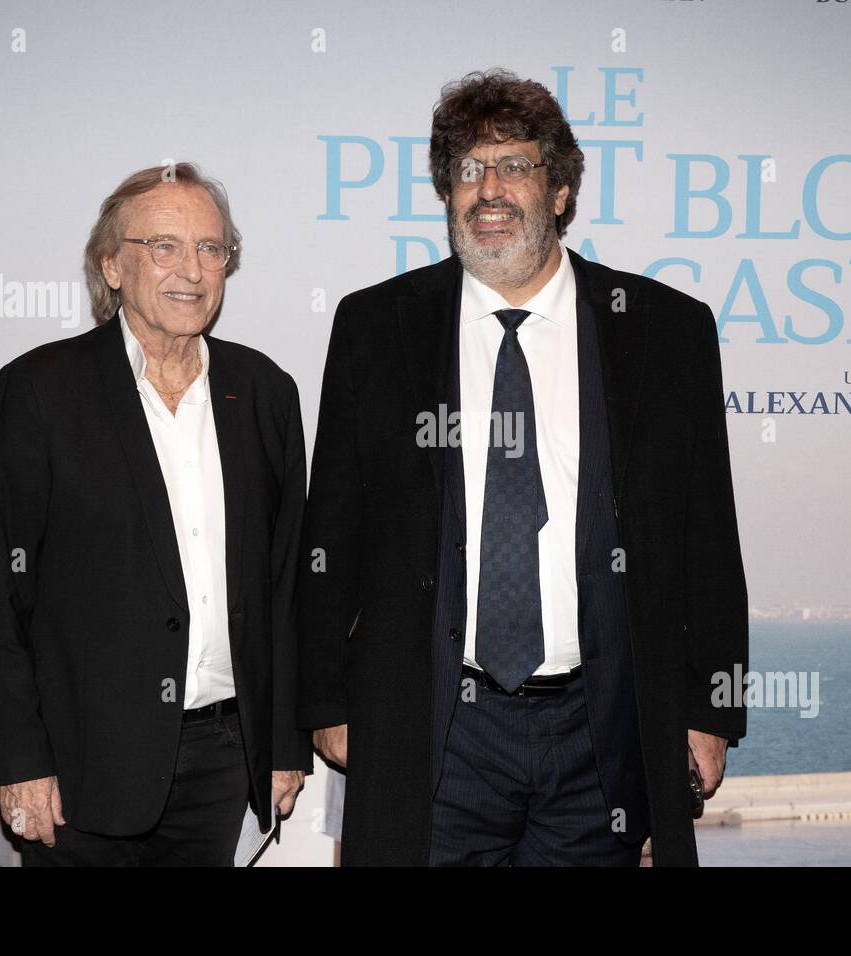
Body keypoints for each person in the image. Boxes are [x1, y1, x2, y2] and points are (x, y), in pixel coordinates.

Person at [298, 70, 748, 866]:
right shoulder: (376, 327)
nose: (489, 189)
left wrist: (713, 709)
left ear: (563, 190)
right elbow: (333, 528)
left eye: (515, 165)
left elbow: (706, 536)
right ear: (446, 193)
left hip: (601, 732)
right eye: (468, 170)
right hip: (437, 729)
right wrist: (328, 699)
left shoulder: (664, 331)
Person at [0, 163, 310, 865]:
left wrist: (280, 745)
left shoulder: (265, 391)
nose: (192, 269)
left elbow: (285, 587)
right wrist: (18, 762)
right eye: (165, 246)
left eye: (211, 249)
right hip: (80, 767)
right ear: (112, 267)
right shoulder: (41, 391)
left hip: (223, 761)